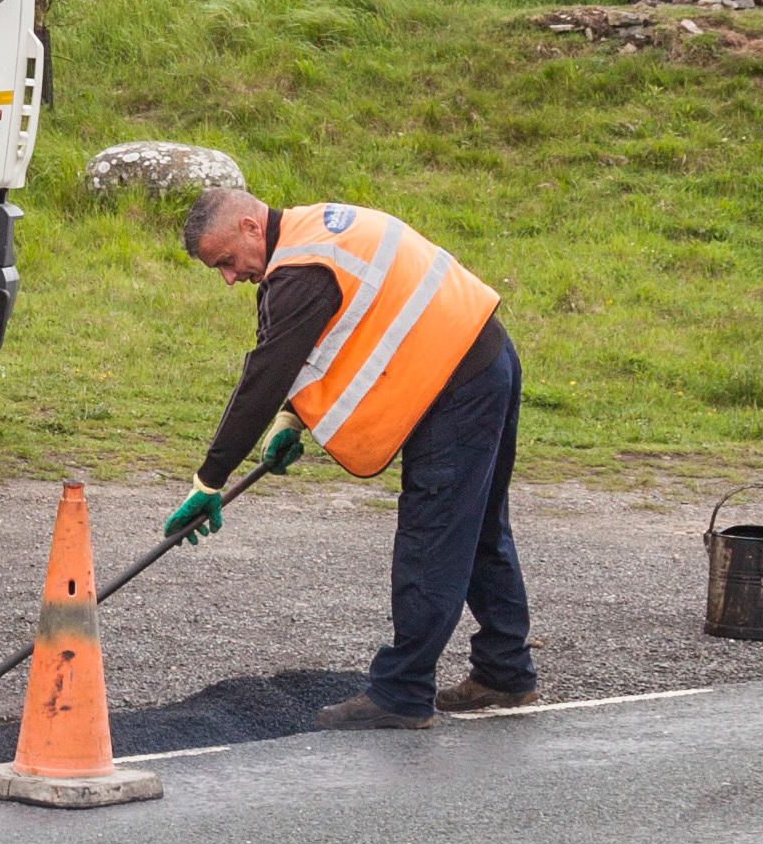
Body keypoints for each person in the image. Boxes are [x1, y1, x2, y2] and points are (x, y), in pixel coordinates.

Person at [166, 184, 535, 730]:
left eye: (225, 261)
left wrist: (209, 480)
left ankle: (403, 693)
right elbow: (322, 340)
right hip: (486, 355)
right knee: (478, 526)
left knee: (432, 535)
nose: (228, 276)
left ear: (248, 226)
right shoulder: (312, 231)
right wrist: (294, 420)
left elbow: (264, 377)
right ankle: (505, 670)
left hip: (456, 383)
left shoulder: (298, 270)